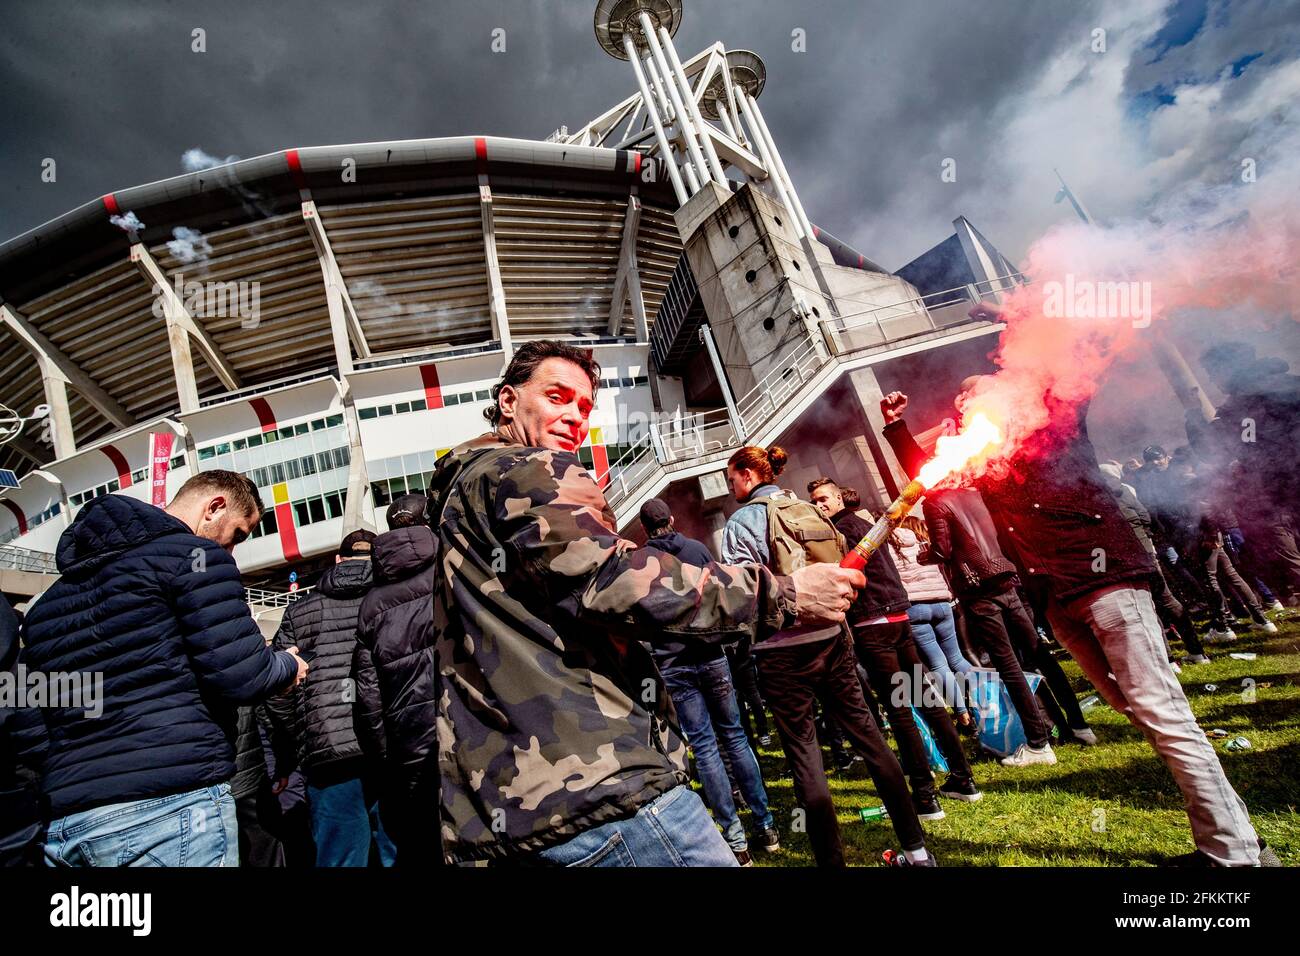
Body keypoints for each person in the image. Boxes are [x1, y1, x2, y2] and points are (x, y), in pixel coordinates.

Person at [426, 341, 863, 867]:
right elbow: (615, 581)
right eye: (557, 397)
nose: (573, 417)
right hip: (599, 784)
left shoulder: (458, 496)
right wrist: (784, 593)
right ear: (508, 400)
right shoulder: (526, 469)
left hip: (514, 804)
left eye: (584, 407)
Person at [883, 385, 1274, 866]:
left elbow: (1073, 376)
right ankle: (1238, 842)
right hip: (1056, 598)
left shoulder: (1055, 430)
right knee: (1144, 714)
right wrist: (897, 427)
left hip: (1107, 583)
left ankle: (1233, 855)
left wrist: (1019, 321)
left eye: (975, 393)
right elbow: (932, 475)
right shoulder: (994, 462)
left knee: (1164, 716)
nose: (963, 402)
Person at [22, 471, 307, 867]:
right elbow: (243, 673)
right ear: (214, 507)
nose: (232, 551)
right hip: (172, 808)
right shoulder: (196, 560)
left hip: (70, 821)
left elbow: (29, 716)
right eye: (238, 535)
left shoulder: (46, 606)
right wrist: (287, 666)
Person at [722, 446, 935, 867]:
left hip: (780, 651)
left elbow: (740, 596)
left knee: (805, 754)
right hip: (833, 639)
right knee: (872, 739)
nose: (732, 489)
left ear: (746, 475)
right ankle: (917, 849)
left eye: (731, 480)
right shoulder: (809, 509)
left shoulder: (742, 521)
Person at [880, 396, 1092, 759]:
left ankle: (1047, 736)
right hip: (1011, 580)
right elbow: (926, 469)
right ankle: (1069, 723)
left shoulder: (967, 489)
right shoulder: (972, 485)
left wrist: (927, 553)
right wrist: (896, 426)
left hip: (989, 585)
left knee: (1017, 661)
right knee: (1037, 655)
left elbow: (940, 529)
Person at [807, 477, 982, 819]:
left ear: (841, 498)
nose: (819, 504)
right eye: (814, 500)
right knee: (926, 700)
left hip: (876, 626)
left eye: (824, 497)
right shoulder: (866, 524)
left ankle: (926, 797)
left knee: (902, 710)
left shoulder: (838, 532)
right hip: (898, 617)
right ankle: (964, 780)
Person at [639, 498, 779, 864]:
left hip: (672, 663)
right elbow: (719, 594)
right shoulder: (697, 549)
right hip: (710, 654)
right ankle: (765, 827)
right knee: (734, 735)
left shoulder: (643, 561)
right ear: (671, 519)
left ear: (645, 528)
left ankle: (736, 841)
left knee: (703, 746)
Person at [268, 530, 396, 867]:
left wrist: (297, 746)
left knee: (340, 857)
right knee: (400, 851)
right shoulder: (394, 598)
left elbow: (277, 690)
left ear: (337, 560)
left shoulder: (299, 611)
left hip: (328, 758)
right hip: (391, 747)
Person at [352, 493, 444, 865]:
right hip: (469, 727)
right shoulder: (455, 569)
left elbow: (367, 695)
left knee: (426, 844)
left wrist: (384, 756)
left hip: (409, 744)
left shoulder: (371, 605)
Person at [1194, 341, 1300, 606]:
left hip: (1283, 492)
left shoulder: (1245, 406)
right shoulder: (1291, 384)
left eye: (1213, 372)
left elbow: (1246, 449)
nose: (1212, 380)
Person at [1098, 461, 1210, 665]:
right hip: (1147, 552)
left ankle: (1168, 660)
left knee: (1150, 606)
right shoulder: (1126, 490)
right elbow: (1145, 516)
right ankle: (1197, 652)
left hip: (1129, 557)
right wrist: (1146, 540)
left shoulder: (1101, 498)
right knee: (1167, 600)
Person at [887, 514, 977, 731]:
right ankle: (989, 700)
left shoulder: (890, 549)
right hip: (942, 603)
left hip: (915, 608)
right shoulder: (922, 541)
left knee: (938, 664)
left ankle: (963, 715)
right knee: (957, 658)